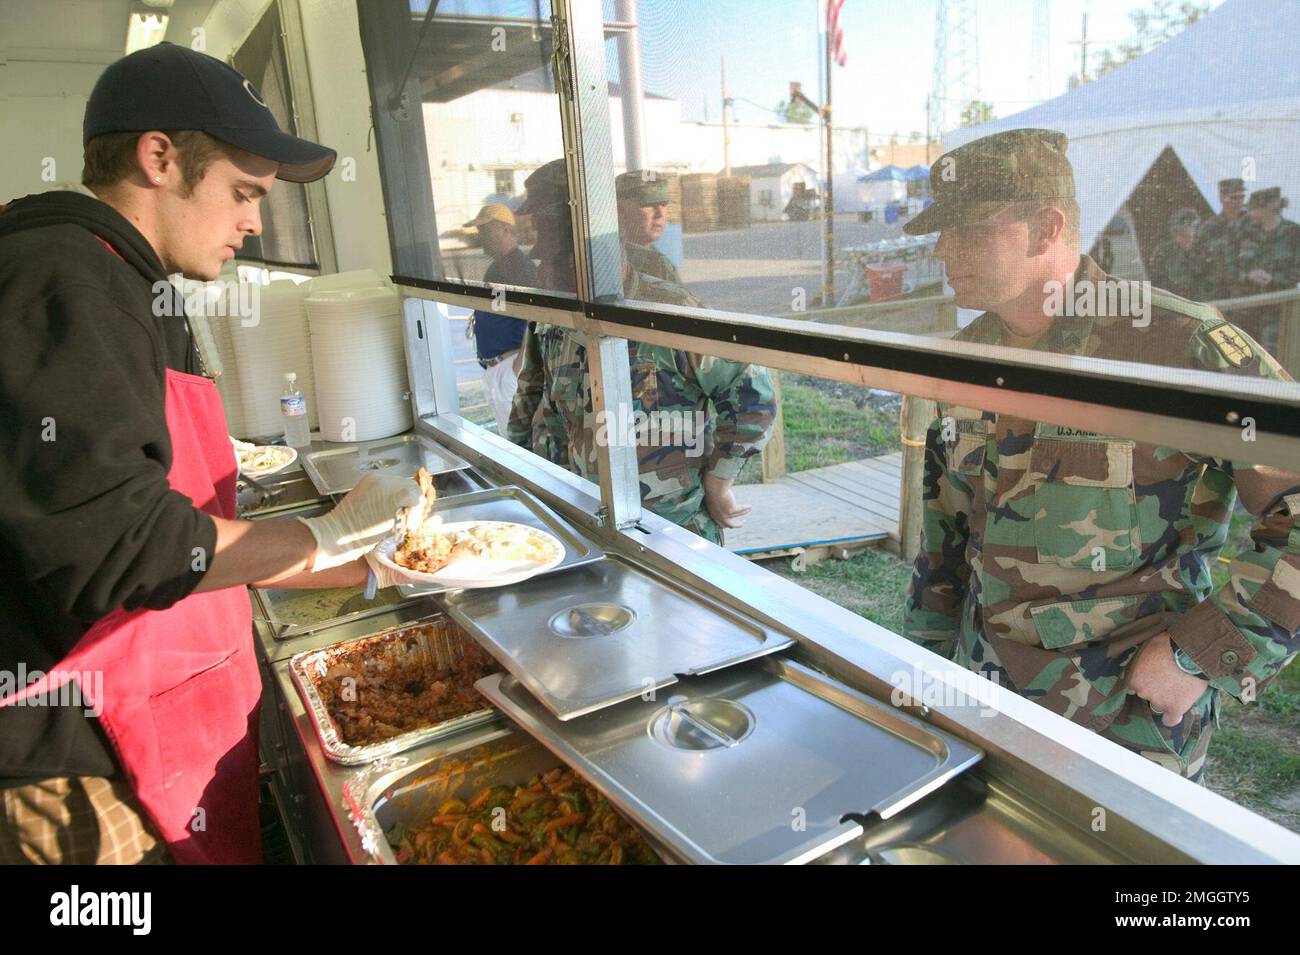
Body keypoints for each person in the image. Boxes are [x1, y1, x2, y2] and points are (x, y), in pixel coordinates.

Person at [0, 43, 421, 864]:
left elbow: (164, 501)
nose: (256, 221)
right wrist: (324, 535)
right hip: (73, 754)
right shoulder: (64, 281)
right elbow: (125, 545)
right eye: (242, 191)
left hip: (126, 718)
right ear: (159, 157)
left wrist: (365, 564)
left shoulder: (124, 279)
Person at [901, 128, 1300, 782]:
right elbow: (945, 537)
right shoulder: (970, 356)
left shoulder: (1174, 345)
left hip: (1124, 718)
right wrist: (929, 668)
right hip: (987, 693)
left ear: (1045, 228)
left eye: (967, 229)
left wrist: (1202, 654)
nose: (943, 248)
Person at [507, 160, 776, 544]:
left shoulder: (667, 309)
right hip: (581, 516)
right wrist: (519, 472)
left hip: (671, 528)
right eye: (545, 261)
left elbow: (753, 396)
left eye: (560, 260)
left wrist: (720, 481)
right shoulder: (553, 312)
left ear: (600, 253)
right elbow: (531, 394)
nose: (546, 272)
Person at [462, 203, 537, 434]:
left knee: (518, 447)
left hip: (509, 366)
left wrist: (520, 365)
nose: (480, 236)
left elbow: (534, 317)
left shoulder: (518, 267)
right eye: (479, 230)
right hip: (497, 368)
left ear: (506, 229)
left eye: (486, 229)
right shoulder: (498, 267)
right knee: (509, 440)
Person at [615, 171, 682, 284]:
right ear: (620, 211)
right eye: (649, 204)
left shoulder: (657, 260)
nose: (660, 214)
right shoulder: (610, 262)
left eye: (664, 204)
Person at [1192, 177, 1247, 301]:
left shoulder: (1253, 224)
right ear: (1222, 198)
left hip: (1253, 294)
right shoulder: (1209, 228)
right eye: (1233, 198)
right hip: (1223, 295)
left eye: (1241, 197)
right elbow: (1198, 265)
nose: (1239, 202)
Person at [1147, 207, 1201, 299]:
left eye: (1189, 233)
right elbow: (1158, 283)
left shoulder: (1204, 248)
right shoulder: (1164, 252)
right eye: (1180, 233)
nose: (1185, 238)